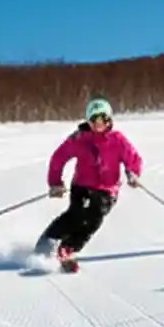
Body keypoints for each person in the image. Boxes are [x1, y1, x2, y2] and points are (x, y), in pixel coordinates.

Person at [35, 98, 143, 270]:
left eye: (103, 118)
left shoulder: (118, 140)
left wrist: (133, 173)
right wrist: (55, 182)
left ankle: (67, 248)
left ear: (109, 119)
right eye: (94, 119)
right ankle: (49, 240)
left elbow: (134, 159)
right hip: (82, 185)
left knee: (94, 218)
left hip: (107, 190)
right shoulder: (80, 139)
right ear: (88, 121)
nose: (99, 123)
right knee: (77, 213)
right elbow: (58, 159)